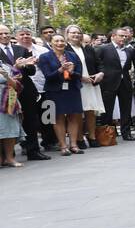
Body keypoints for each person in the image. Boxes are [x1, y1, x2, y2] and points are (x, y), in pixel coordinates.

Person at [2, 26, 48, 161]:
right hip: (6, 91)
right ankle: (7, 155)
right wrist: (15, 68)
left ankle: (33, 151)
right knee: (8, 120)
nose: (4, 36)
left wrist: (26, 65)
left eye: (6, 33)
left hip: (25, 90)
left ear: (10, 35)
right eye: (1, 33)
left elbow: (32, 71)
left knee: (30, 120)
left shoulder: (21, 49)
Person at [38, 33, 85, 155]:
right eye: (56, 41)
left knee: (73, 117)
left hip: (72, 89)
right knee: (57, 118)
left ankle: (73, 145)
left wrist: (72, 71)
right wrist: (60, 70)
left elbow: (79, 74)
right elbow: (48, 76)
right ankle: (63, 146)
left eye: (62, 41)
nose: (60, 43)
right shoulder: (45, 57)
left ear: (65, 42)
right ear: (51, 43)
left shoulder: (73, 56)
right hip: (54, 91)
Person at [64, 26, 106, 149]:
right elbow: (65, 69)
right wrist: (80, 77)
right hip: (75, 84)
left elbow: (99, 64)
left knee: (91, 111)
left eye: (78, 33)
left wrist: (101, 73)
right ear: (67, 34)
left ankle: (92, 137)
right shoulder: (65, 49)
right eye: (73, 33)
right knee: (77, 112)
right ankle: (79, 138)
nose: (76, 35)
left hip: (91, 83)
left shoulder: (88, 48)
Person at [96, 27, 135, 141]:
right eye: (121, 35)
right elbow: (97, 63)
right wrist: (101, 74)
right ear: (113, 36)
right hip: (108, 82)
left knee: (126, 109)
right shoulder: (103, 48)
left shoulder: (129, 50)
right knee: (107, 109)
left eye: (125, 36)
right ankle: (107, 134)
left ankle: (126, 133)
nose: (124, 38)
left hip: (125, 82)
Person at [0, 52, 23, 167]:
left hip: (8, 101)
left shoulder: (6, 67)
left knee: (10, 130)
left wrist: (7, 76)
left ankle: (10, 158)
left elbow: (17, 85)